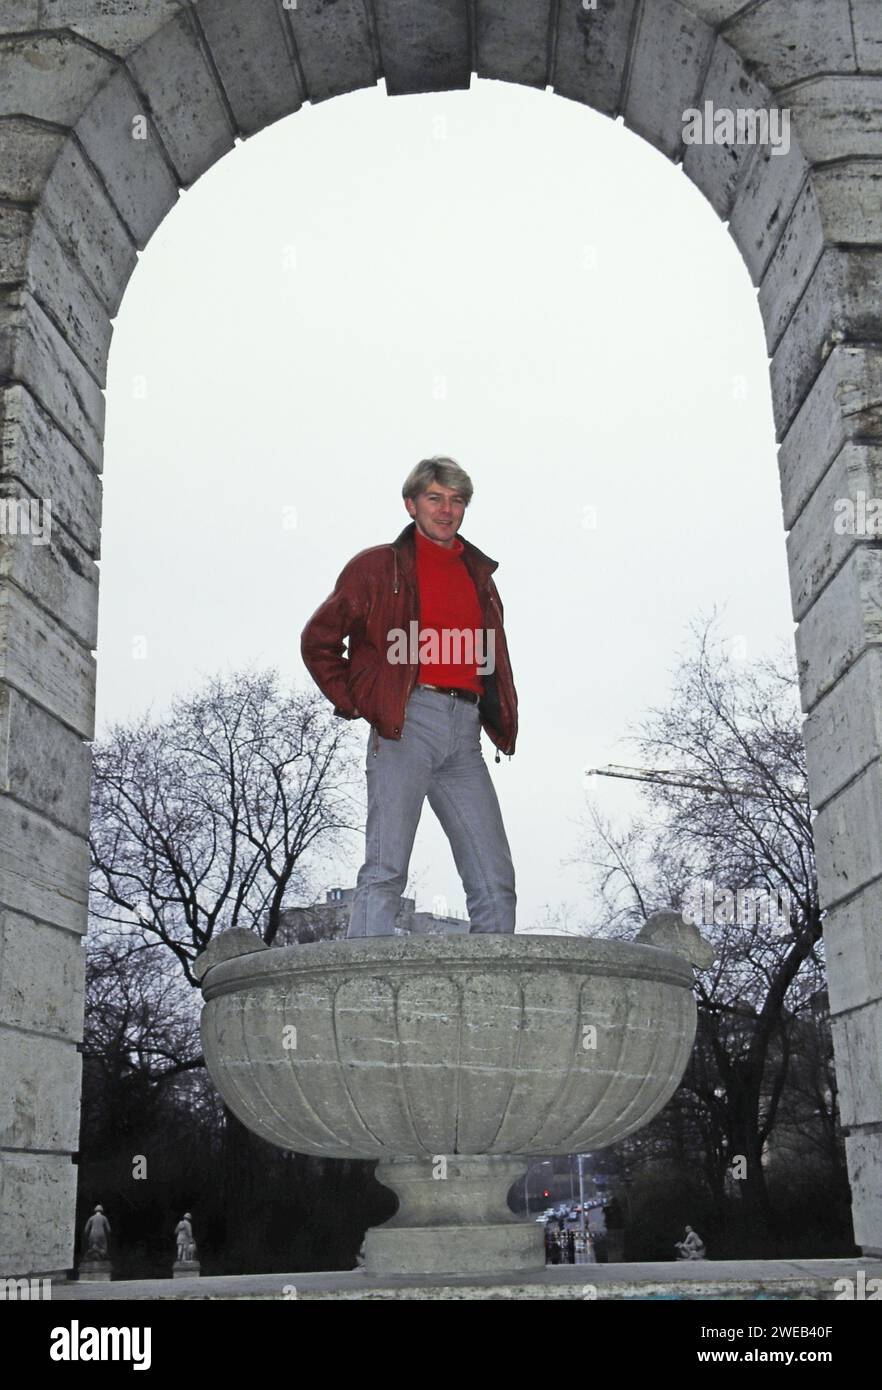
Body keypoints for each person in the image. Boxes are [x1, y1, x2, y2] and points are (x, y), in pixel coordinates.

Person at [301, 456, 518, 938]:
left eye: (457, 501)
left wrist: (499, 717)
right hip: (406, 724)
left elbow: (494, 658)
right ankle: (359, 993)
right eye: (435, 498)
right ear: (411, 504)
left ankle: (495, 997)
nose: (447, 510)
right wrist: (362, 701)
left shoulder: (479, 576)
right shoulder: (377, 567)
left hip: (465, 735)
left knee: (494, 879)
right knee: (385, 872)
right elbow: (318, 641)